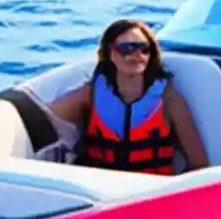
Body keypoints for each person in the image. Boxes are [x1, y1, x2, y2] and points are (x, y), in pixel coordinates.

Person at [51, 19, 207, 174]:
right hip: (98, 188)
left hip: (151, 190)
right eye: (127, 48)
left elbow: (199, 164)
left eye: (144, 48)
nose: (137, 55)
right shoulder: (90, 95)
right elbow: (49, 118)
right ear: (110, 53)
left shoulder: (169, 100)